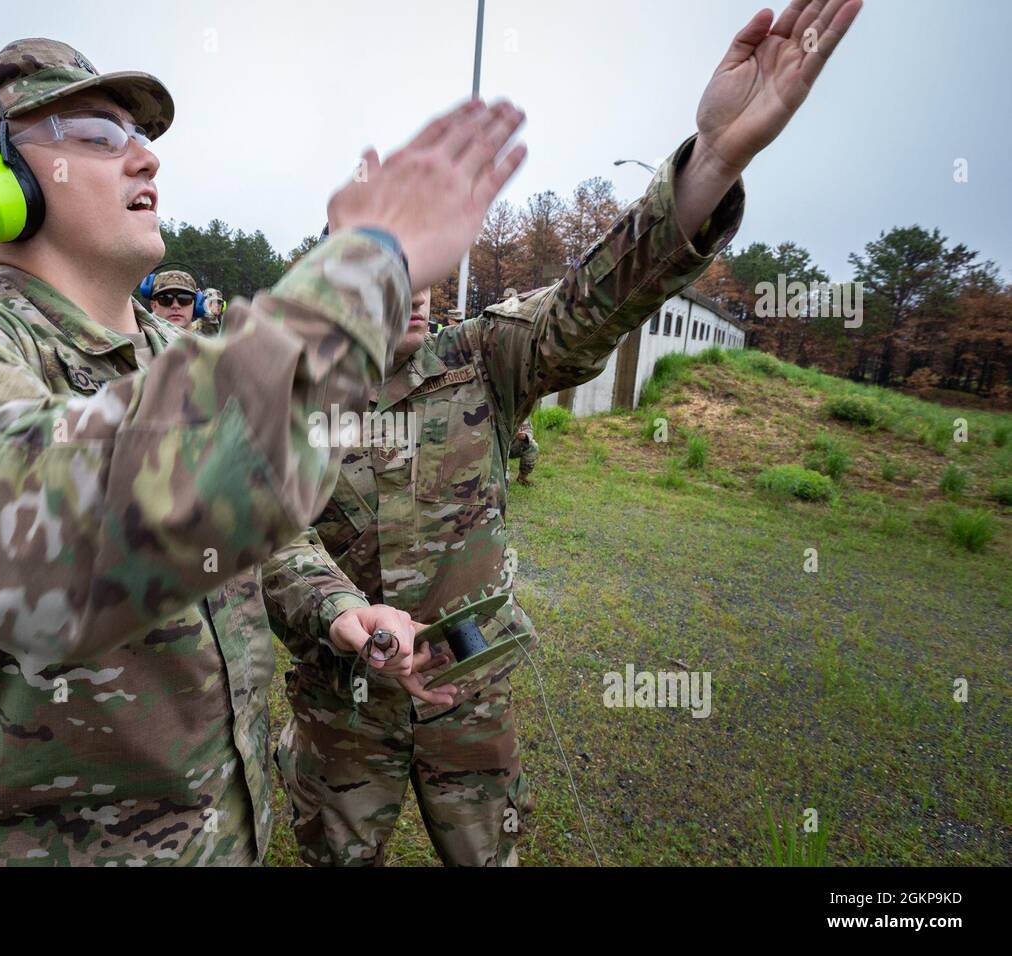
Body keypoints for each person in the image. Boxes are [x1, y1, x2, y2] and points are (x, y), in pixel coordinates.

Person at [0, 38, 526, 865]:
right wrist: (366, 272)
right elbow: (57, 535)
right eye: (95, 133)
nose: (145, 156)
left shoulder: (175, 354)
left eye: (141, 136)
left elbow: (262, 537)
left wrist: (337, 608)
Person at [269, 0, 863, 866]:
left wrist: (711, 163)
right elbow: (268, 544)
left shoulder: (481, 359)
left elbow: (591, 303)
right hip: (343, 711)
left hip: (468, 699)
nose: (417, 279)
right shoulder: (283, 397)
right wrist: (341, 613)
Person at [508, 415, 539, 486]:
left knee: (533, 446)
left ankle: (522, 478)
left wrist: (525, 436)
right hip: (495, 446)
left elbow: (529, 429)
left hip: (512, 445)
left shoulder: (521, 410)